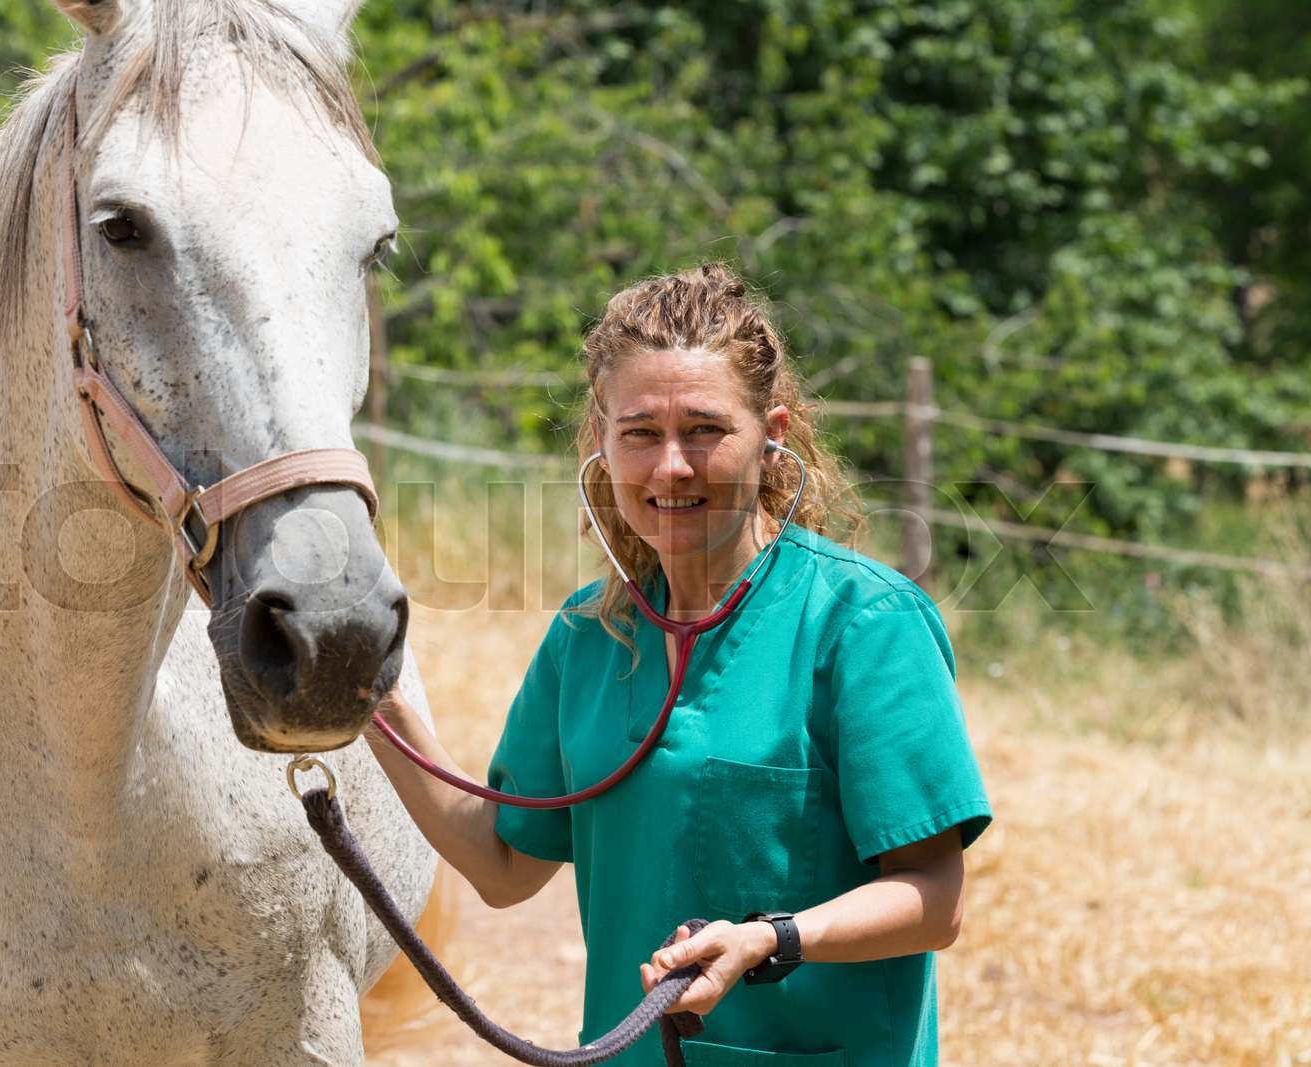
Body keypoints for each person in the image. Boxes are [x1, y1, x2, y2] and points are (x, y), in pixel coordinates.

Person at [364, 263, 992, 1066]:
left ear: (772, 436)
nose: (670, 466)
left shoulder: (864, 622)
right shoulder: (587, 638)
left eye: (703, 429)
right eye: (639, 434)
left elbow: (935, 901)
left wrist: (771, 939)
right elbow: (506, 863)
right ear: (601, 443)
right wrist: (377, 703)